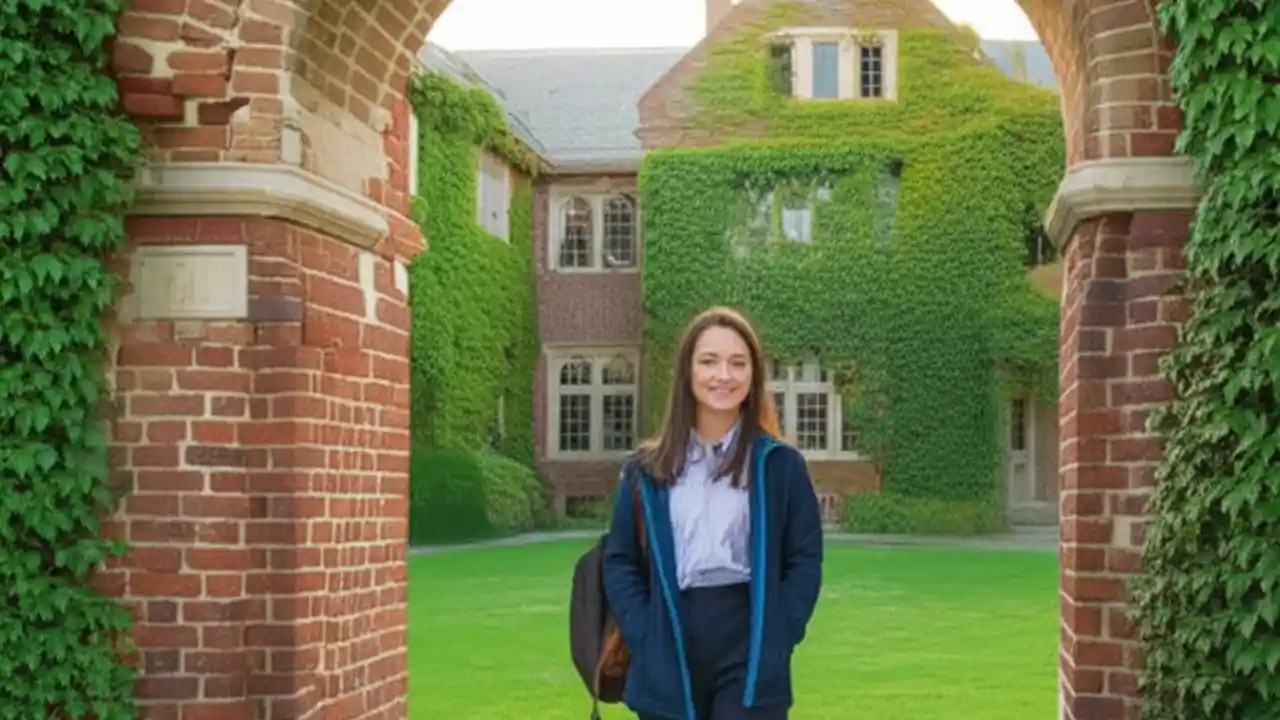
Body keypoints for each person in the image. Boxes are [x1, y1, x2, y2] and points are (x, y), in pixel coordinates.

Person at [601, 306, 824, 720]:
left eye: (738, 363)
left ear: (753, 375)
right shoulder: (645, 471)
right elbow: (620, 561)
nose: (724, 375)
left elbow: (805, 558)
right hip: (667, 635)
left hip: (750, 639)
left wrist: (780, 631)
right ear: (687, 370)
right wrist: (644, 632)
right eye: (709, 361)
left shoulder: (779, 465)